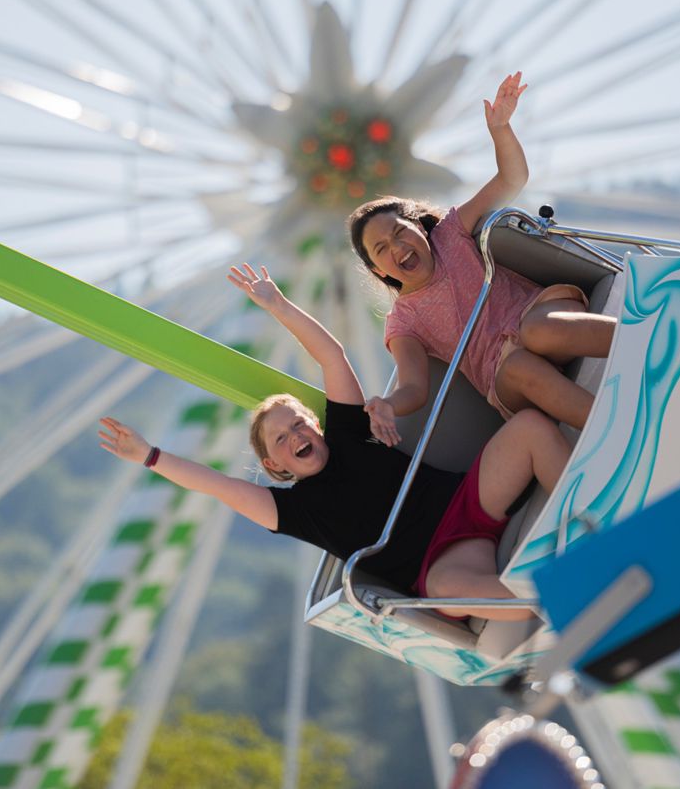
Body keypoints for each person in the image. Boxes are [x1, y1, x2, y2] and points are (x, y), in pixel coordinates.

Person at [99, 263, 570, 621]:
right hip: (440, 562)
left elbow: (331, 356)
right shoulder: (293, 511)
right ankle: (570, 600)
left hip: (466, 499)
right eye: (282, 439)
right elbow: (217, 485)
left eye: (299, 424)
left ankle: (587, 514)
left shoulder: (348, 434)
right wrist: (149, 456)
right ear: (275, 465)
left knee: (530, 429)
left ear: (317, 426)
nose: (296, 436)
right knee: (452, 592)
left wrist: (278, 306)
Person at [345, 72, 616, 442]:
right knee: (519, 366)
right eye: (381, 249)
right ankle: (614, 431)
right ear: (378, 270)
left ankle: (649, 335)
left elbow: (512, 178)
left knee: (536, 332)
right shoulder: (403, 323)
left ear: (419, 226)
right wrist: (389, 404)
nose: (396, 247)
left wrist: (500, 129)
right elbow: (414, 388)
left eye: (399, 232)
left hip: (535, 315)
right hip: (503, 373)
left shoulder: (451, 232)